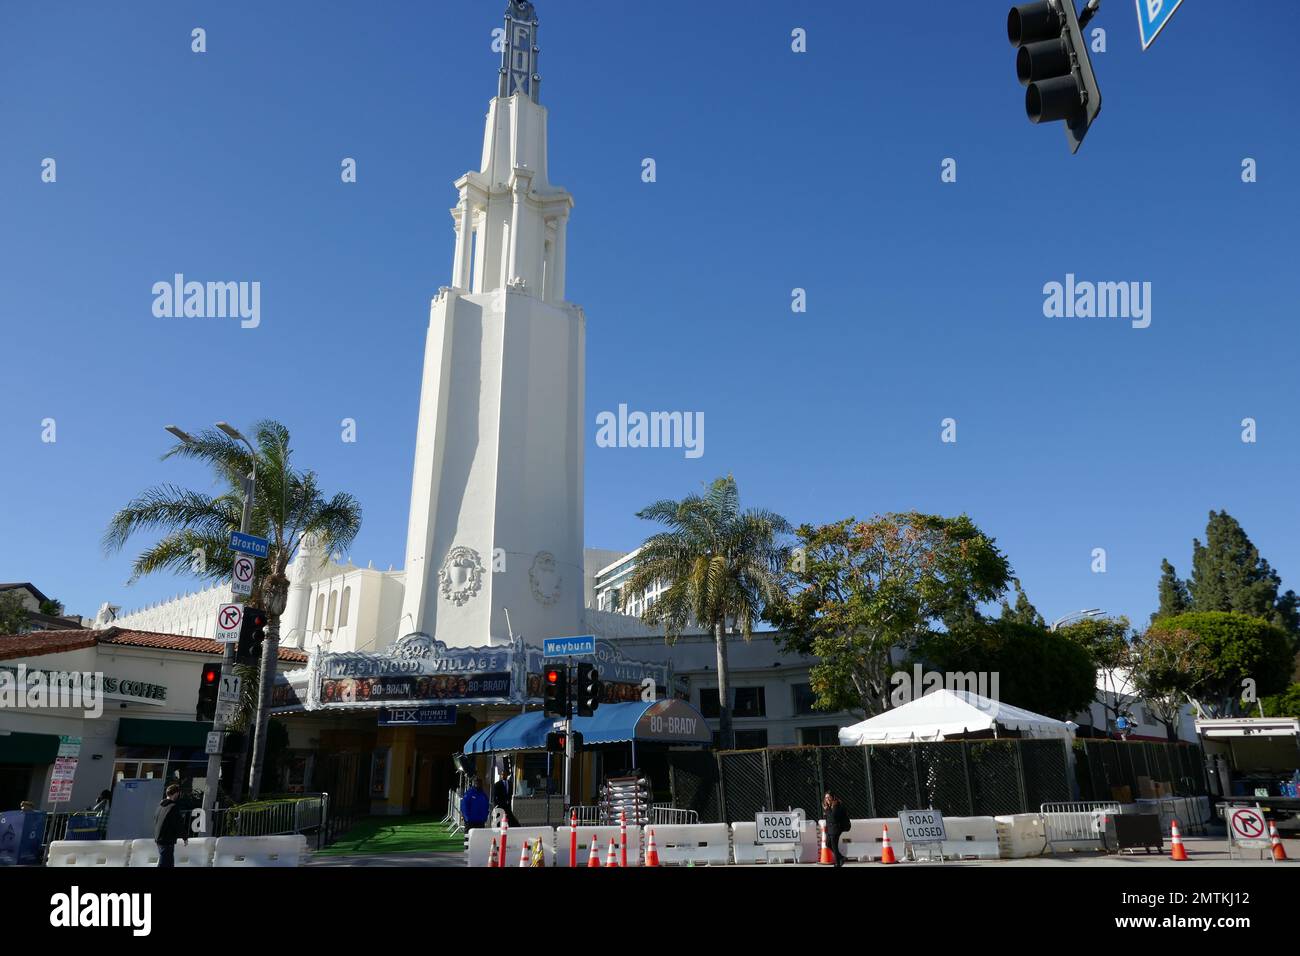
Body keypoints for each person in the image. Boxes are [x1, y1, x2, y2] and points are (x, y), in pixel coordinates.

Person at [154, 783, 189, 868]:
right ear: (176, 793)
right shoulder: (173, 807)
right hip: (167, 840)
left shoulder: (160, 807)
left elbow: (156, 821)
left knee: (168, 863)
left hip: (159, 839)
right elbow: (178, 824)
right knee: (165, 864)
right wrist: (185, 837)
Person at [823, 791, 850, 867]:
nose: (827, 799)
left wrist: (827, 810)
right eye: (826, 797)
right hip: (830, 829)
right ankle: (841, 858)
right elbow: (827, 818)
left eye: (829, 797)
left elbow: (833, 818)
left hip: (836, 828)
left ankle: (838, 863)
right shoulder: (828, 805)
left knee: (834, 846)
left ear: (832, 797)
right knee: (828, 844)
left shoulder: (836, 805)